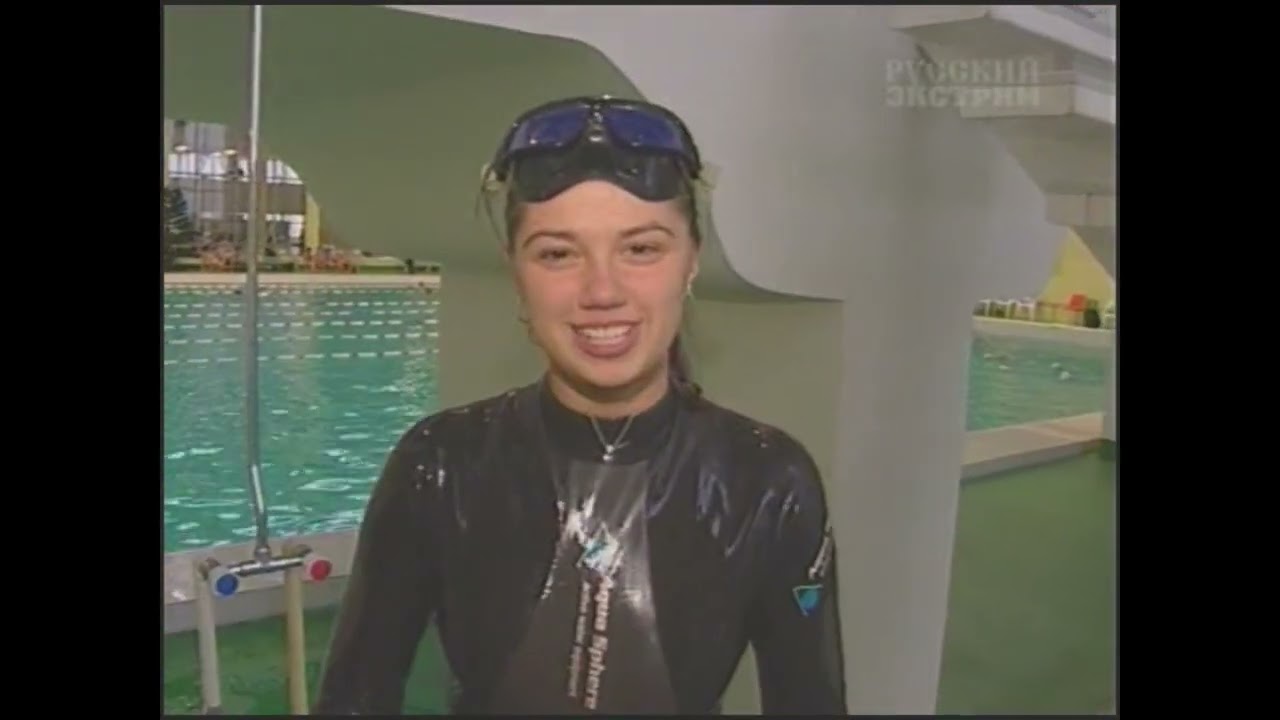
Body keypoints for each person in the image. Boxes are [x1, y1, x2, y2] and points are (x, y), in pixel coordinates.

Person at [314, 95, 846, 715]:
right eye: (558, 254)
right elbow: (353, 700)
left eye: (641, 249)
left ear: (691, 263)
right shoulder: (439, 465)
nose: (602, 291)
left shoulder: (766, 480)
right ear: (517, 272)